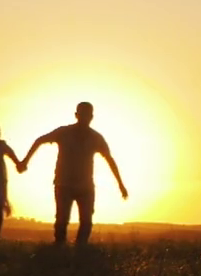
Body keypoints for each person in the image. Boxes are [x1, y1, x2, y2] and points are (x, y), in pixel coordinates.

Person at [18, 101, 127, 246]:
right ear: (76, 115)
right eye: (82, 114)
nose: (85, 118)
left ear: (92, 117)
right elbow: (40, 140)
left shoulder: (96, 138)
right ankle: (60, 248)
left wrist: (120, 184)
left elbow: (110, 160)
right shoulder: (63, 132)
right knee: (62, 219)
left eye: (88, 115)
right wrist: (25, 161)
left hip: (85, 186)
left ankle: (80, 250)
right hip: (64, 183)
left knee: (86, 221)